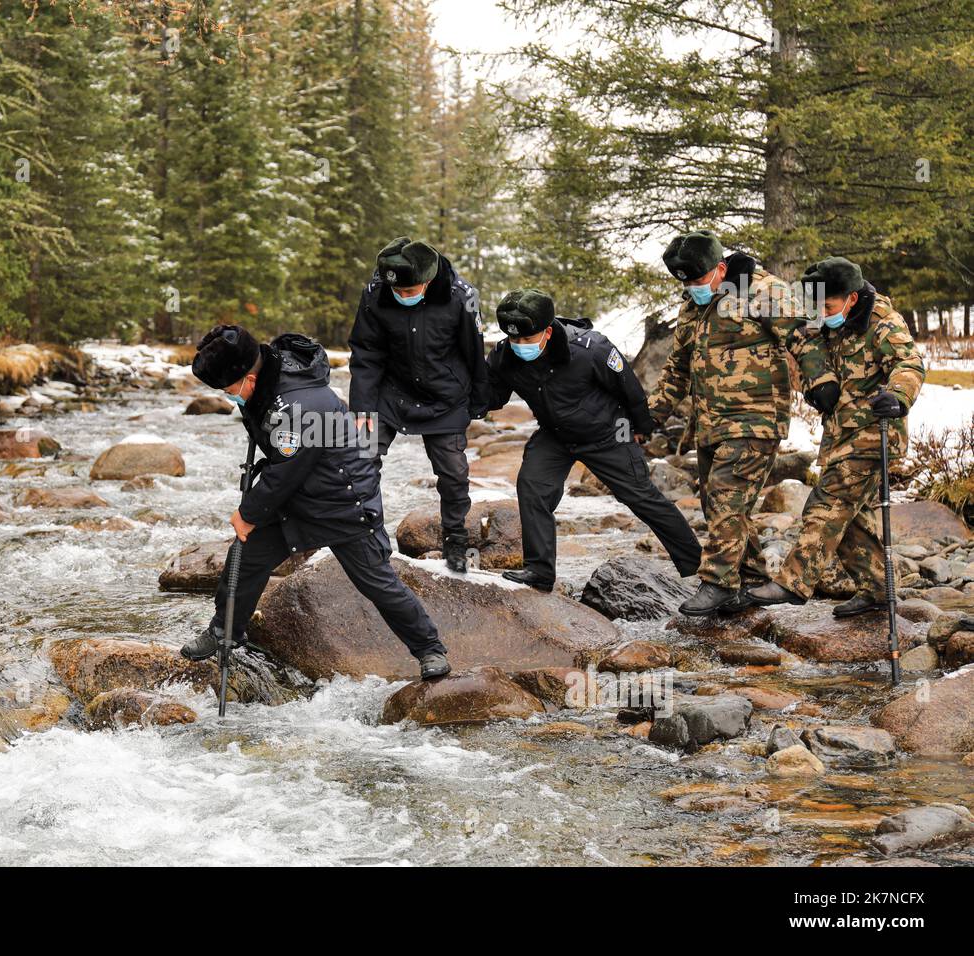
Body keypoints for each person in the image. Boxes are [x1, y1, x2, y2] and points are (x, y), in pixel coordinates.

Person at [180, 324, 451, 680]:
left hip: (343, 501)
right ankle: (225, 631)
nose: (229, 396)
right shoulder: (266, 381)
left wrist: (248, 513)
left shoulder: (301, 403)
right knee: (244, 558)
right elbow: (282, 463)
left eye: (228, 390)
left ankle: (430, 649)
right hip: (296, 498)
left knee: (377, 582)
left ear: (248, 377)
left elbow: (287, 470)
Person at [648, 230, 827, 616]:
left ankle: (718, 581)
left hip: (756, 419)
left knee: (728, 495)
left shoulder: (763, 291)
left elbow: (803, 336)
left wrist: (822, 382)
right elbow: (677, 369)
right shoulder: (693, 307)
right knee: (718, 504)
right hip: (711, 424)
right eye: (685, 282)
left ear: (721, 268)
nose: (693, 288)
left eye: (698, 280)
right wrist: (652, 416)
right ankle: (747, 576)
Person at [740, 257, 925, 615]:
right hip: (841, 434)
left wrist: (898, 395)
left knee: (826, 506)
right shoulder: (827, 319)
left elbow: (910, 362)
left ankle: (793, 582)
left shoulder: (884, 324)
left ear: (852, 298)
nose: (822, 314)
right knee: (852, 518)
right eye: (818, 306)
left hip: (873, 435)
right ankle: (876, 590)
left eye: (828, 306)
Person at [486, 289, 701, 590]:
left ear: (547, 331)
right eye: (514, 339)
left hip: (607, 435)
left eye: (527, 339)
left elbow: (630, 388)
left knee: (641, 498)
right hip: (555, 435)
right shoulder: (504, 355)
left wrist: (642, 427)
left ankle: (697, 567)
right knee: (532, 486)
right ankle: (540, 571)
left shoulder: (590, 348)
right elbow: (493, 396)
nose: (519, 345)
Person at [348, 236, 490, 572]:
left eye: (411, 291)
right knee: (360, 458)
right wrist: (362, 407)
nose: (403, 296)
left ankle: (455, 542)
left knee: (453, 472)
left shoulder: (461, 296)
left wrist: (478, 402)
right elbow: (366, 352)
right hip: (390, 392)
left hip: (445, 395)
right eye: (398, 291)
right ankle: (367, 538)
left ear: (427, 280)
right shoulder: (375, 292)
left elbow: (474, 351)